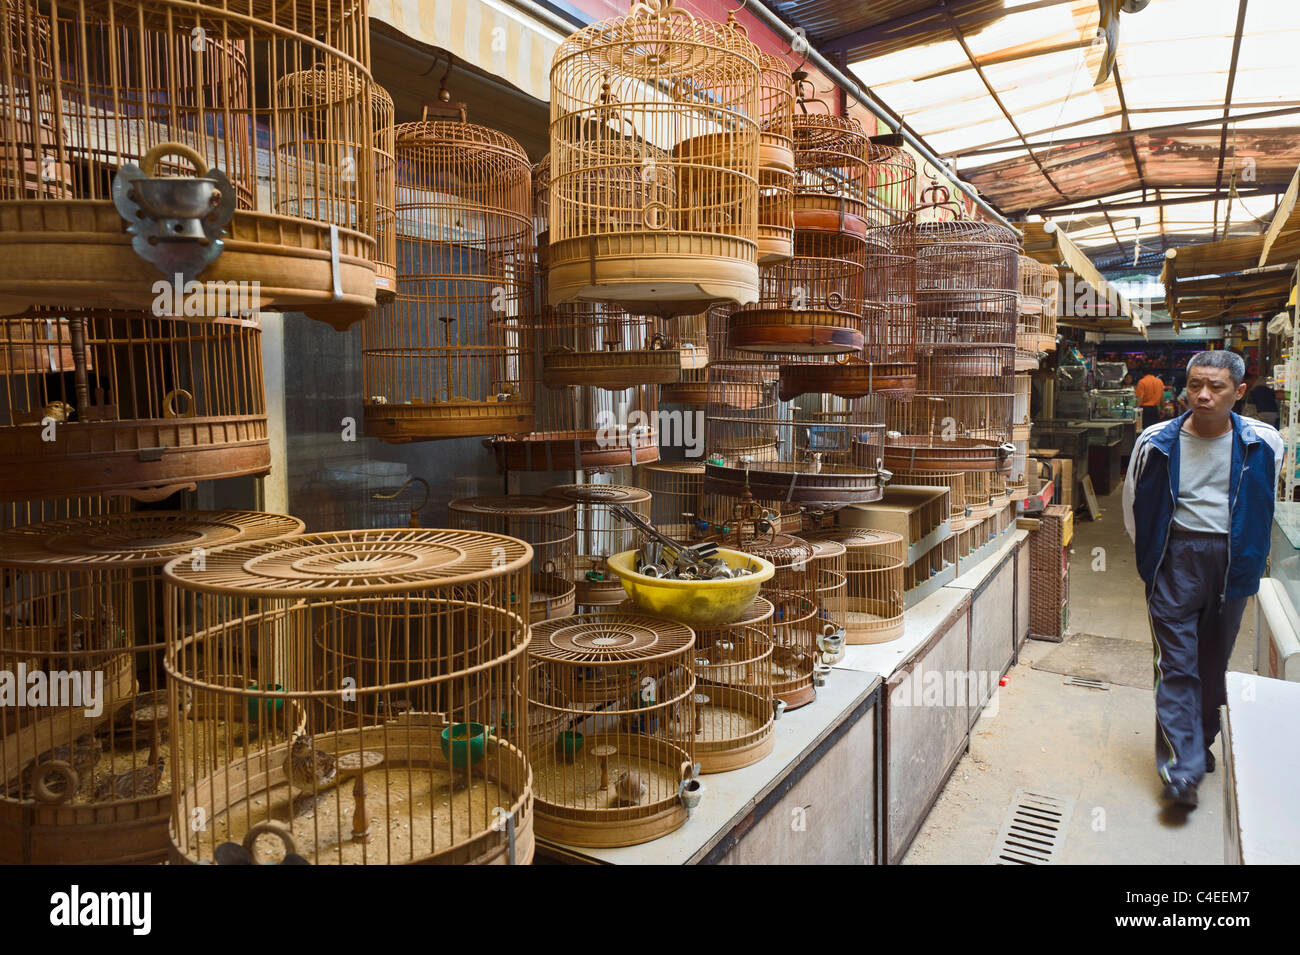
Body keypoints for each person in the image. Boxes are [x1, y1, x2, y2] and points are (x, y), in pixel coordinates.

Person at [1122, 351, 1283, 809]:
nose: (1203, 395)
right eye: (1195, 385)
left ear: (1239, 391)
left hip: (1232, 563)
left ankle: (1198, 743)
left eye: (1215, 387)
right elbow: (1135, 507)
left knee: (1213, 664)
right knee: (1176, 665)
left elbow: (1263, 502)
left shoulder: (1265, 442)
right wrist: (1153, 560)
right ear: (1185, 387)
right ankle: (1181, 770)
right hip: (1176, 559)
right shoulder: (1156, 442)